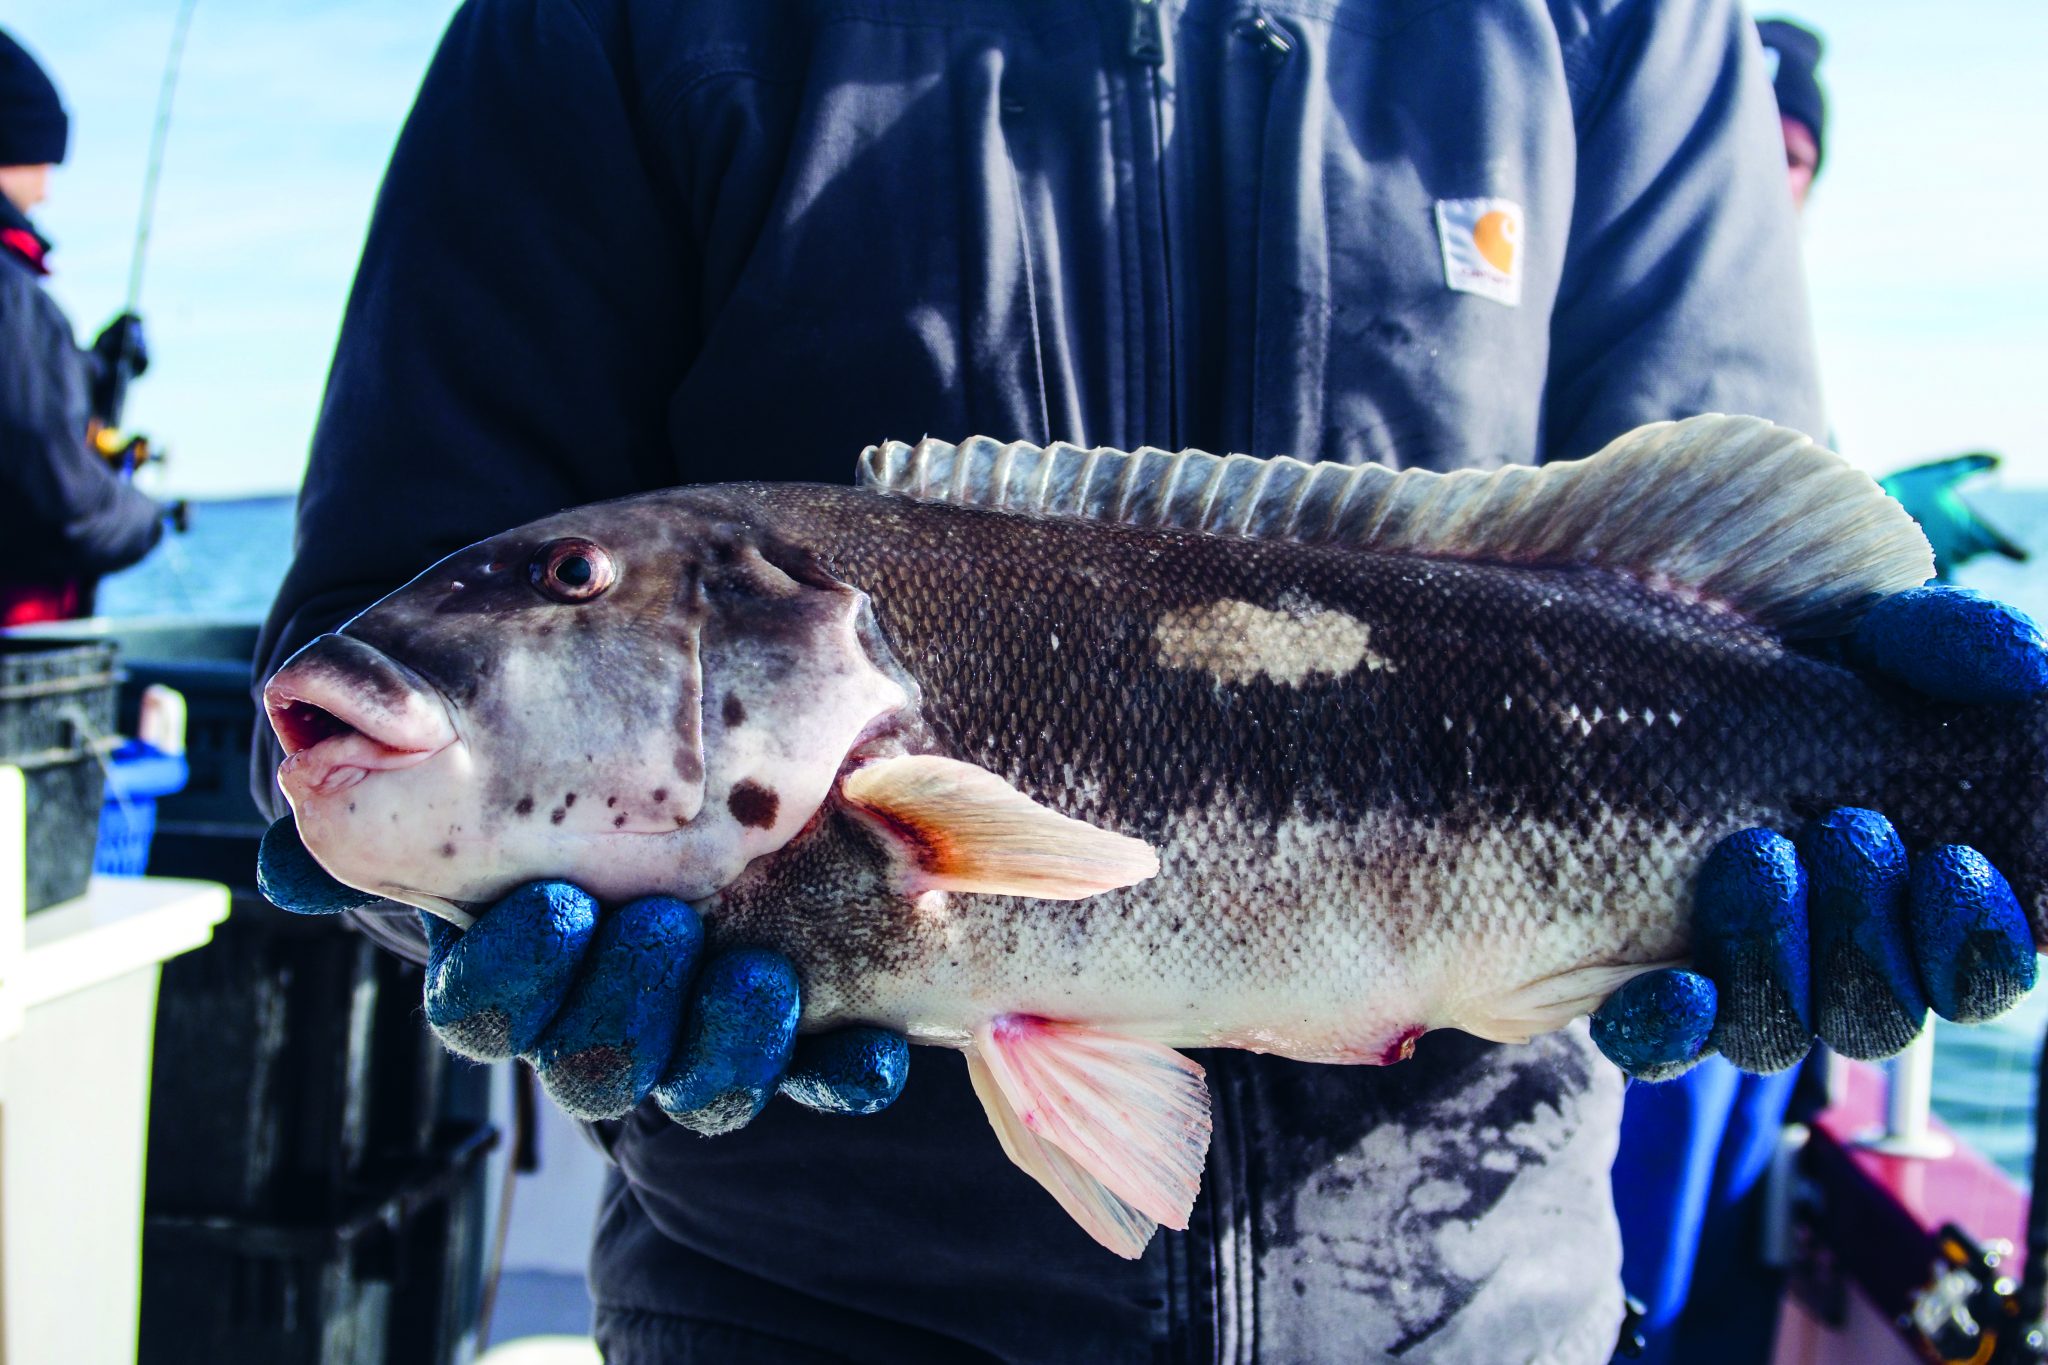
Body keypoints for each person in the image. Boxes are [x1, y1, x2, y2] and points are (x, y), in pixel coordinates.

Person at [253, 2, 2042, 1360]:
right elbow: (356, 657)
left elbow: (1756, 553)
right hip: (802, 1310)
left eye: (580, 586)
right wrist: (477, 936)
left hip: (1479, 1304)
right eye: (586, 583)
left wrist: (1845, 868)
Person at [0, 28, 159, 627]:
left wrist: (96, 368)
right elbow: (66, 511)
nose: (45, 187)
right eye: (38, 157)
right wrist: (147, 518)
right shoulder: (9, 291)